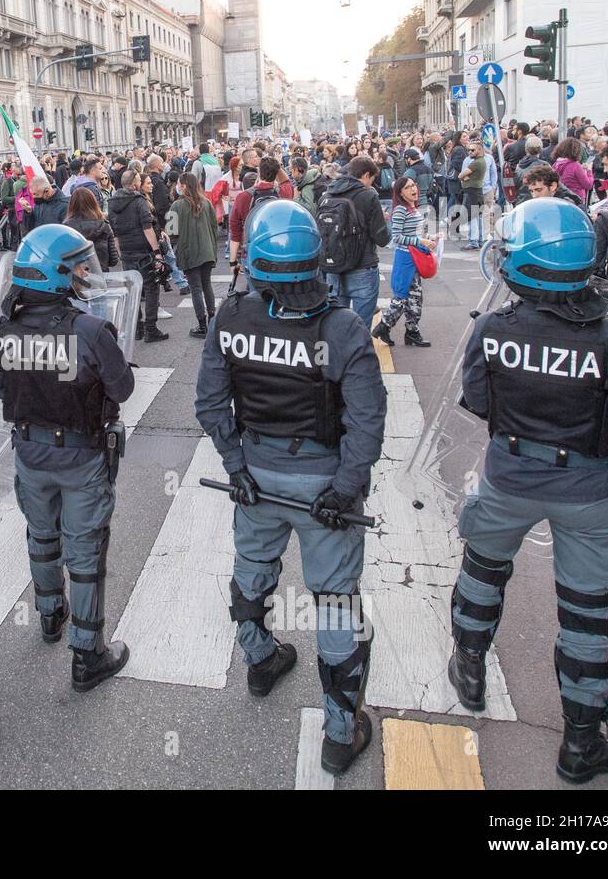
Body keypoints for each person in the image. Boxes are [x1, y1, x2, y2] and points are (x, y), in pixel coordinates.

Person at [449, 198, 608, 783]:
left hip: (509, 476)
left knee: (482, 570)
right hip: (589, 490)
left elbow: (475, 398)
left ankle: (468, 667)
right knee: (586, 613)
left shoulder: (493, 328)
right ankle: (581, 744)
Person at [195, 200, 385, 776]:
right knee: (334, 601)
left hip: (258, 474)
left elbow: (208, 402)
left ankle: (259, 660)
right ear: (316, 260)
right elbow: (368, 420)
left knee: (252, 569)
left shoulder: (230, 317)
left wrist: (236, 466)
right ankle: (339, 729)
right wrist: (346, 489)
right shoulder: (344, 326)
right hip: (324, 482)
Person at [0, 224, 135, 690]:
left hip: (30, 454)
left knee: (41, 535)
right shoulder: (90, 330)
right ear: (56, 275)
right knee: (86, 551)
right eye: (78, 266)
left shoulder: (5, 327)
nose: (87, 272)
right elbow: (123, 389)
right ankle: (87, 655)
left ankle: (51, 614)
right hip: (81, 458)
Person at [320, 156, 390, 328]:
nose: (371, 184)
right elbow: (382, 238)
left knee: (337, 325)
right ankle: (358, 355)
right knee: (360, 327)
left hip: (333, 268)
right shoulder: (367, 196)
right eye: (372, 179)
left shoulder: (327, 195)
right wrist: (383, 218)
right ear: (366, 175)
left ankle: (339, 355)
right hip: (362, 267)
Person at [372, 176, 434, 349]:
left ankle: (402, 330)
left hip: (415, 257)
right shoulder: (400, 210)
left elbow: (415, 233)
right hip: (406, 258)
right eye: (408, 187)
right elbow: (397, 237)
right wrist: (421, 242)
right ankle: (392, 328)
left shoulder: (413, 208)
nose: (413, 189)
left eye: (414, 185)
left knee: (412, 297)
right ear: (400, 193)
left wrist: (430, 239)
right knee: (406, 297)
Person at [108, 169, 168, 343]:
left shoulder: (112, 202)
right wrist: (157, 252)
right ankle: (151, 328)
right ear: (135, 183)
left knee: (133, 290)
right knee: (151, 288)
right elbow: (147, 227)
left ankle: (138, 326)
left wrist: (120, 252)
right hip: (143, 251)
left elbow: (115, 232)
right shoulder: (138, 200)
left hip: (126, 251)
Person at [168, 172, 219, 338]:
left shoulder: (176, 205)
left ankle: (202, 325)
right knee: (207, 286)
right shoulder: (207, 203)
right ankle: (212, 321)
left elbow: (171, 231)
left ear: (183, 186)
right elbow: (214, 227)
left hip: (189, 251)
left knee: (196, 289)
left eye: (179, 184)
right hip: (207, 250)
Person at [63, 186, 118, 271]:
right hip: (101, 276)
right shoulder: (104, 225)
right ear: (94, 203)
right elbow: (113, 260)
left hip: (77, 277)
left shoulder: (66, 229)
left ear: (71, 205)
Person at [458, 140, 488, 251]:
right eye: (469, 150)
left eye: (472, 150)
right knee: (478, 216)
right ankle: (479, 240)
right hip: (477, 191)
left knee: (472, 217)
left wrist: (463, 178)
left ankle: (474, 241)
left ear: (480, 150)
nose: (470, 152)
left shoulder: (476, 163)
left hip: (472, 192)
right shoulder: (482, 161)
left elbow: (461, 175)